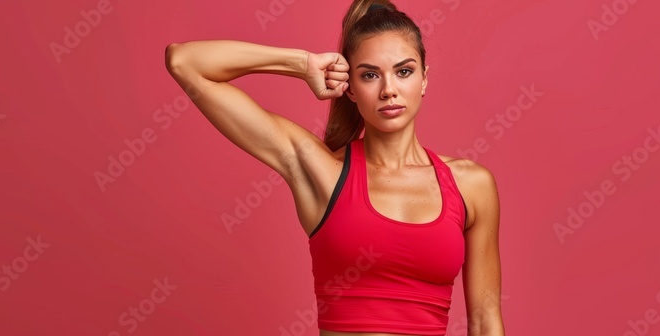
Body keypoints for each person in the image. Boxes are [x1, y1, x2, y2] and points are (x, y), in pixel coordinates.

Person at [164, 0, 504, 335]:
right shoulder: (323, 172)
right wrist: (301, 63)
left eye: (404, 71)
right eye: (369, 75)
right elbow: (185, 62)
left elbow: (485, 319)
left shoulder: (470, 184)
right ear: (351, 89)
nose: (389, 90)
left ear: (424, 79)